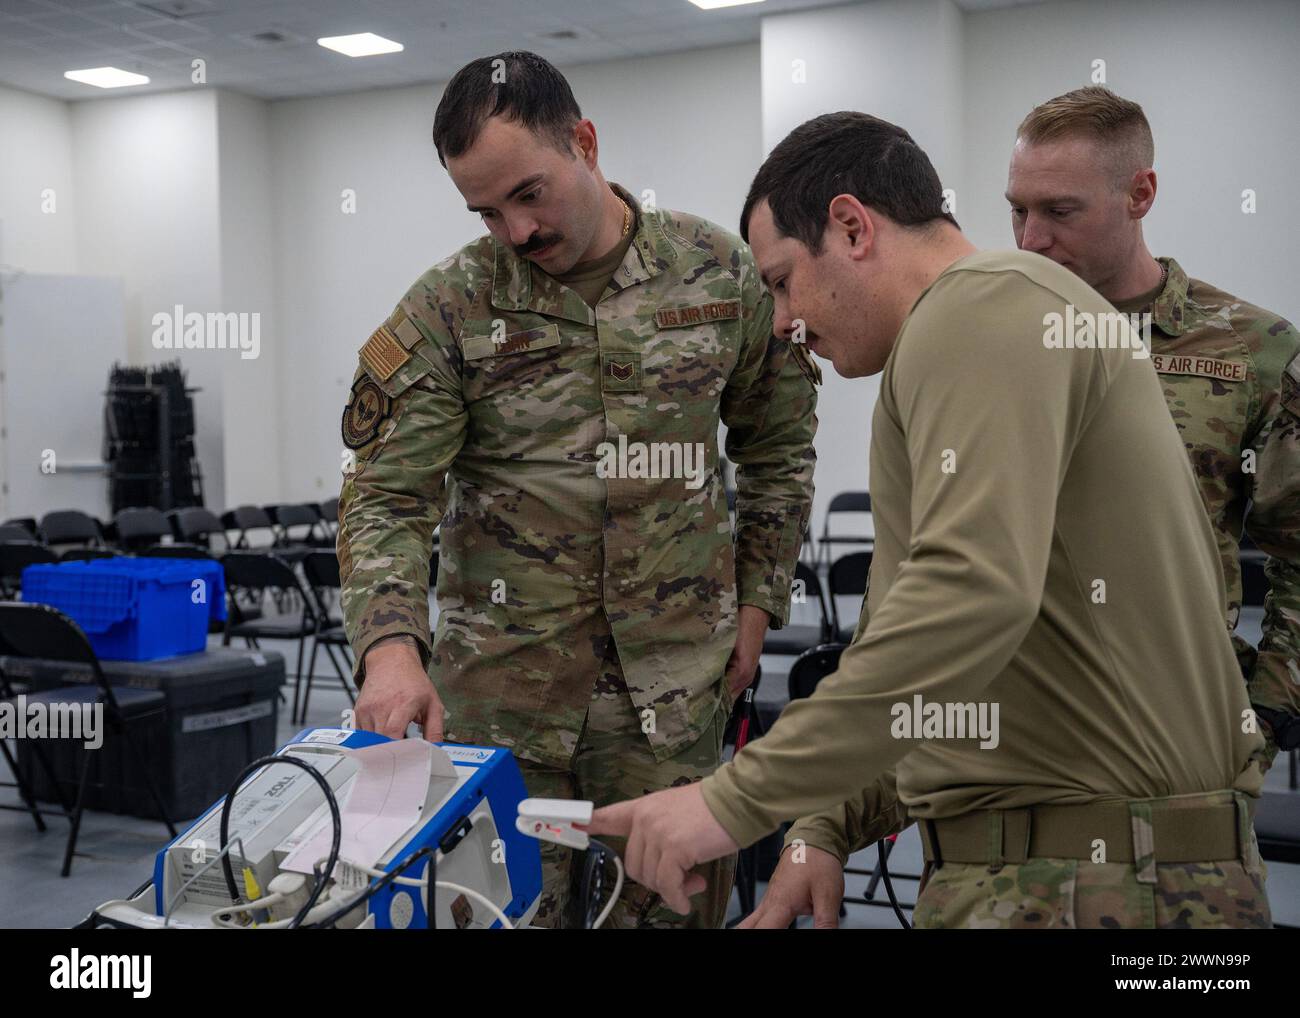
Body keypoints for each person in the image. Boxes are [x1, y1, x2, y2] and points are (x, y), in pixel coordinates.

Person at [588, 111, 1272, 929]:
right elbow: (928, 673)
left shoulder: (979, 306)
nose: (780, 322)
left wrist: (730, 802)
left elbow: (971, 595)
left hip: (1093, 883)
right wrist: (822, 825)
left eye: (779, 282)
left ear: (851, 228)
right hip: (1077, 874)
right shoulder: (965, 334)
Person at [336, 51, 818, 928]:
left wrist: (758, 603)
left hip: (673, 701)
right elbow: (386, 497)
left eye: (528, 193)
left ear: (585, 143)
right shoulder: (450, 307)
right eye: (486, 211)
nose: (515, 230)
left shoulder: (720, 276)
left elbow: (778, 451)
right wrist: (391, 647)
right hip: (503, 709)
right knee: (501, 914)